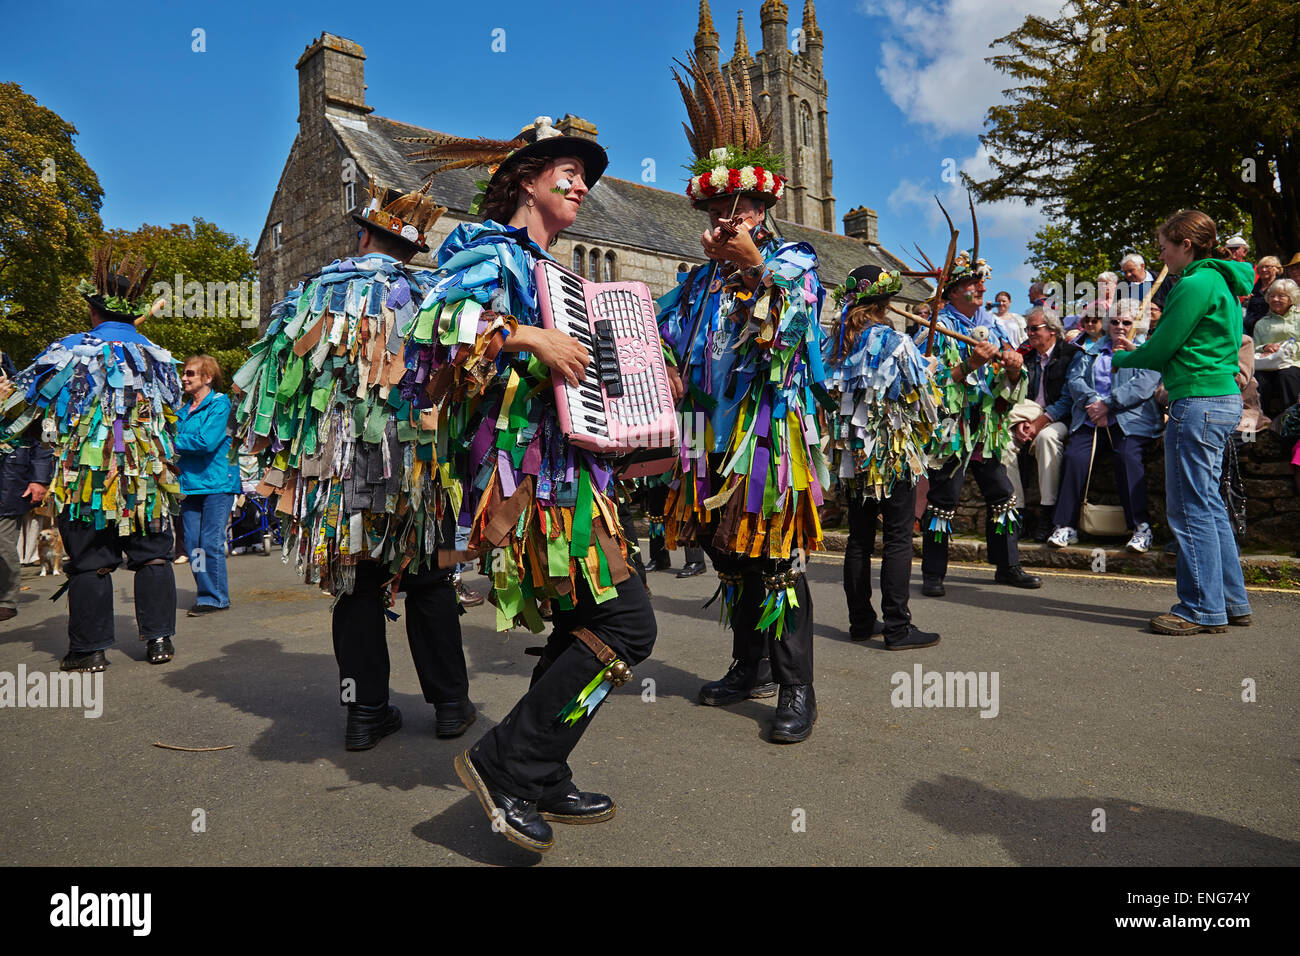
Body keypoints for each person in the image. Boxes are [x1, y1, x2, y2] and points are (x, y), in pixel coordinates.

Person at [402, 117, 656, 852]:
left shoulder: (559, 273)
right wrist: (529, 336)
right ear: (525, 181)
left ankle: (539, 769)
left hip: (575, 476)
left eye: (586, 175)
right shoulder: (490, 252)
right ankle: (507, 763)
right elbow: (435, 320)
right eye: (567, 172)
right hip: (533, 482)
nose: (581, 184)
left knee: (596, 622)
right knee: (628, 625)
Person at [233, 179, 478, 751]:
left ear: (363, 234)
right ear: (411, 249)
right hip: (421, 470)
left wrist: (283, 468)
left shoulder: (310, 294)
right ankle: (449, 705)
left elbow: (275, 392)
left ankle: (364, 713)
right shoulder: (436, 297)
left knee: (357, 586)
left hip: (339, 473)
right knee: (432, 580)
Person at [658, 55, 826, 744]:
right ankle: (747, 665)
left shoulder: (795, 264)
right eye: (719, 210)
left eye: (743, 208)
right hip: (704, 438)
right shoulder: (695, 283)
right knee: (730, 555)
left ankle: (797, 689)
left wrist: (753, 264)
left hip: (766, 439)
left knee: (777, 558)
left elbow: (794, 330)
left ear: (765, 210)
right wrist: (663, 366)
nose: (730, 219)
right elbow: (661, 333)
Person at [0, 244, 180, 669]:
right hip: (146, 476)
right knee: (153, 552)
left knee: (90, 559)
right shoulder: (157, 355)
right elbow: (174, 401)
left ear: (94, 311)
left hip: (88, 477)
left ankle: (90, 650)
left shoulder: (69, 350)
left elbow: (24, 401)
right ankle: (159, 642)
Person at [1111, 209, 1254, 634]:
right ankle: (1231, 600)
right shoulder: (1220, 281)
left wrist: (1121, 356)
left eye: (1165, 248)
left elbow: (1159, 350)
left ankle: (1200, 609)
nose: (1162, 256)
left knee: (1189, 508)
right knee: (1208, 505)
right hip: (1217, 398)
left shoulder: (1193, 283)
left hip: (1197, 399)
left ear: (1185, 245)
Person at [825, 265, 941, 649]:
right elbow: (923, 398)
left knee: (858, 538)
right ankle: (897, 627)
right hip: (890, 455)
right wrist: (932, 371)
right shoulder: (895, 342)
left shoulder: (835, 345)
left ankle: (861, 621)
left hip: (852, 457)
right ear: (885, 302)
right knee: (896, 538)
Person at [917, 250, 1041, 596]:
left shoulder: (996, 328)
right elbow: (926, 386)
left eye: (982, 281)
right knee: (944, 498)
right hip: (952, 429)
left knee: (1003, 495)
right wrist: (967, 366)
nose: (982, 287)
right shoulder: (936, 329)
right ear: (953, 291)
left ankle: (1007, 566)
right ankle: (933, 573)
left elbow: (1007, 387)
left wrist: (1015, 371)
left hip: (987, 427)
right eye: (972, 283)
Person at [1046, 310, 1163, 553]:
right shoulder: (1091, 350)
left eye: (1127, 322)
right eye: (1116, 321)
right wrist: (1093, 402)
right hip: (1091, 418)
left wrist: (1109, 403)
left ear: (1136, 326)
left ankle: (1141, 528)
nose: (1120, 326)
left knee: (1128, 457)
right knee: (1074, 457)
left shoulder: (1146, 352)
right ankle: (1065, 525)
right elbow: (1075, 379)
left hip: (1129, 421)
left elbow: (1143, 384)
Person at [1003, 306, 1078, 542]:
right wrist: (1022, 425)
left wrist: (1039, 423)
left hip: (1059, 418)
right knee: (1003, 442)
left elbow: (1067, 399)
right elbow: (1016, 395)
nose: (1029, 333)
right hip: (1027, 416)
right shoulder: (1026, 356)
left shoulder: (1070, 355)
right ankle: (1017, 511)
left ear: (1053, 330)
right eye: (1027, 329)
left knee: (1047, 439)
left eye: (1034, 329)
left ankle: (1048, 513)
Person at [175, 355, 240, 616]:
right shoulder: (181, 411)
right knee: (193, 544)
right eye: (184, 373)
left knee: (210, 541)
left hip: (217, 484)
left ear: (207, 377)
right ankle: (205, 592)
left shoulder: (220, 404)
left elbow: (206, 442)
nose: (184, 378)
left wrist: (173, 441)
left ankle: (215, 598)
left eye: (190, 374)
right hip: (190, 485)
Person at [0, 418, 52, 622]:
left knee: (2, 546)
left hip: (9, 486)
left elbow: (44, 443)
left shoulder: (25, 398)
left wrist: (39, 480)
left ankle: (6, 600)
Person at [1250, 278, 1300, 416]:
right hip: (1268, 365)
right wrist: (1265, 347)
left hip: (1295, 363)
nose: (1275, 299)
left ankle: (1292, 420)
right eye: (1272, 296)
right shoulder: (1262, 323)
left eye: (1281, 296)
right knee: (1259, 379)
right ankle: (1261, 419)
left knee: (1287, 375)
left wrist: (1288, 348)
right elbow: (1254, 348)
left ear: (1291, 298)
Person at [1244, 256, 1283, 334]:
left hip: (1273, 327)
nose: (1263, 270)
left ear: (1277, 269)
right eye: (1261, 267)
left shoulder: (1281, 286)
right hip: (1251, 328)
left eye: (1268, 267)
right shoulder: (1253, 287)